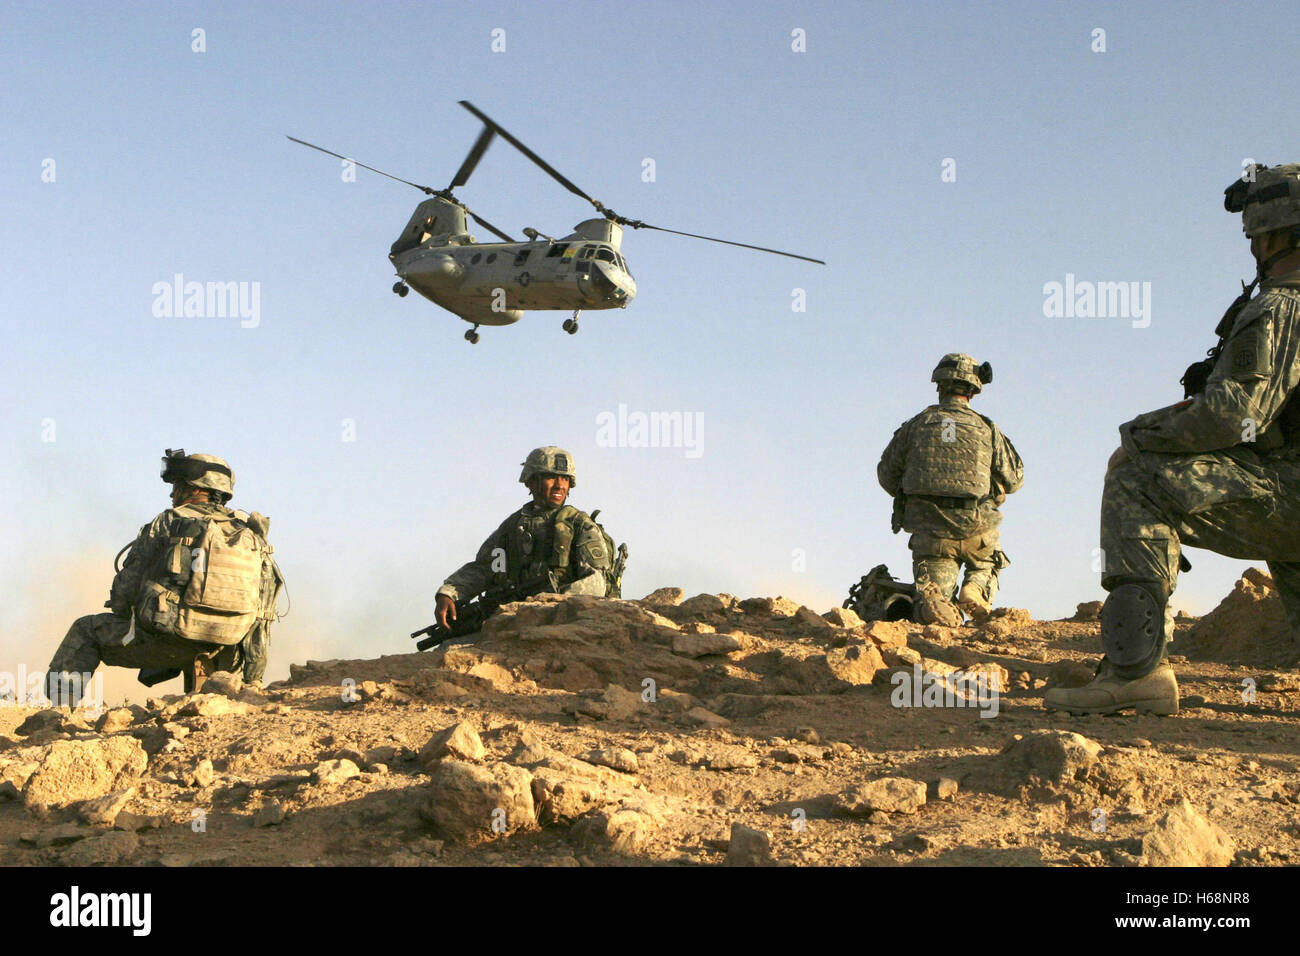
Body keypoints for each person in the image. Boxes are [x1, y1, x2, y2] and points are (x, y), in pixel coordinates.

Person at [1047, 163, 1300, 716]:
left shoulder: (1281, 305)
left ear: (1273, 232)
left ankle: (1134, 673)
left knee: (1137, 478)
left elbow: (1233, 414)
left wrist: (1139, 435)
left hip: (1290, 494)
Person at [45, 449, 282, 707]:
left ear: (193, 489)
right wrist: (253, 677)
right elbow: (265, 608)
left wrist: (130, 611)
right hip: (229, 650)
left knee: (86, 630)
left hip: (171, 640)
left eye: (178, 486)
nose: (172, 494)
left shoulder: (169, 521)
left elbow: (127, 587)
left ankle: (58, 711)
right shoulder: (250, 534)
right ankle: (202, 697)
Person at [877, 354, 1024, 626]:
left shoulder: (915, 426)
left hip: (932, 537)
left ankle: (936, 607)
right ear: (973, 389)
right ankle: (976, 586)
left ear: (939, 386)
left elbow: (886, 476)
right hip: (978, 533)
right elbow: (1015, 479)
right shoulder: (988, 429)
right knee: (986, 563)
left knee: (934, 605)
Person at [435, 446, 620, 630]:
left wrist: (550, 602)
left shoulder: (579, 524)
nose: (559, 485)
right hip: (517, 621)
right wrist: (449, 593)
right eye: (550, 476)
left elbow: (597, 583)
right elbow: (485, 568)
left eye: (564, 478)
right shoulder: (512, 527)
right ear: (530, 481)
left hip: (568, 622)